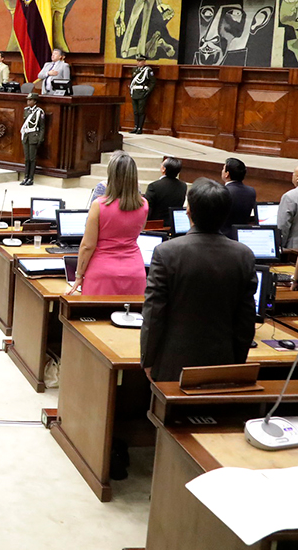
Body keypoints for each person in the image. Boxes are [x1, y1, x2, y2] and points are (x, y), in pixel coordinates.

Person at [140, 178, 257, 382]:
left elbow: (154, 314)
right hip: (224, 361)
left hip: (172, 364)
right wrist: (236, 363)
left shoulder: (166, 252)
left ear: (188, 212)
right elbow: (246, 320)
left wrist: (147, 359)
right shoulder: (244, 255)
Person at [69, 152, 149, 296]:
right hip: (135, 272)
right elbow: (138, 231)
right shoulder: (144, 205)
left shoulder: (98, 205)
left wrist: (79, 275)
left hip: (102, 273)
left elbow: (87, 246)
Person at [145, 157, 187, 226]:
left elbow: (147, 208)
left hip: (156, 226)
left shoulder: (154, 186)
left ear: (164, 169)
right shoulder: (183, 186)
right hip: (174, 225)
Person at [221, 157, 256, 231]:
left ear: (227, 174)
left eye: (223, 169)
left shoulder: (222, 192)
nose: (222, 171)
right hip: (241, 234)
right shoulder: (251, 191)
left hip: (223, 236)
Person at [20, 92, 44, 186]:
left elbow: (42, 127)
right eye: (27, 100)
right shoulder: (26, 110)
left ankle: (31, 178)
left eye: (30, 100)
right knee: (27, 158)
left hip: (34, 136)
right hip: (26, 136)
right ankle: (26, 176)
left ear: (35, 101)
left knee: (32, 158)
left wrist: (40, 138)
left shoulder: (39, 112)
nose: (28, 102)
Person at [128, 56, 155, 134]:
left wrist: (148, 90)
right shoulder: (135, 70)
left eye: (140, 61)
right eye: (138, 61)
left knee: (141, 111)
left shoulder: (147, 70)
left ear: (144, 62)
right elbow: (132, 80)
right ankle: (135, 127)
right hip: (134, 92)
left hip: (142, 92)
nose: (138, 63)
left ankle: (140, 128)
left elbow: (152, 81)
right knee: (135, 111)